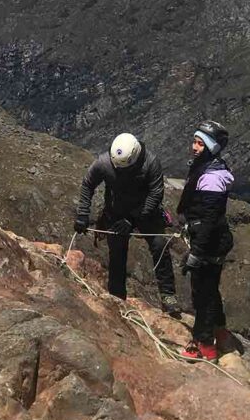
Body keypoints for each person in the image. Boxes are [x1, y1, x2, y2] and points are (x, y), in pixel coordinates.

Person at [73, 132, 180, 316]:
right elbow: (88, 184)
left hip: (146, 211)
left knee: (159, 246)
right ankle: (116, 299)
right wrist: (83, 214)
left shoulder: (150, 163)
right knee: (117, 255)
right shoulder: (105, 163)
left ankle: (168, 295)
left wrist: (132, 219)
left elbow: (155, 194)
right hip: (117, 212)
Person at [176, 120, 234, 362]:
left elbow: (209, 219)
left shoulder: (210, 177)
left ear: (212, 147)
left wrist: (196, 253)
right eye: (194, 141)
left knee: (203, 294)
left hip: (209, 243)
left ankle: (204, 345)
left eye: (201, 143)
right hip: (212, 240)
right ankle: (220, 332)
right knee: (210, 289)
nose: (195, 147)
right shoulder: (210, 168)